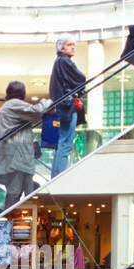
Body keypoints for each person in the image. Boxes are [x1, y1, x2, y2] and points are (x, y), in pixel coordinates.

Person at [0, 80, 48, 210]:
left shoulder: (7, 107)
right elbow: (37, 111)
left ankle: (13, 218)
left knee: (23, 192)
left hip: (16, 158)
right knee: (15, 192)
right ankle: (8, 218)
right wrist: (48, 101)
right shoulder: (13, 104)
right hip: (16, 158)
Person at [48, 36, 85, 178]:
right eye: (69, 45)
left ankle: (55, 176)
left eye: (73, 45)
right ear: (61, 48)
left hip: (60, 108)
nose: (73, 47)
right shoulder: (64, 61)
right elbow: (81, 78)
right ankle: (59, 177)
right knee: (65, 144)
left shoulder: (58, 62)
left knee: (61, 143)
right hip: (67, 108)